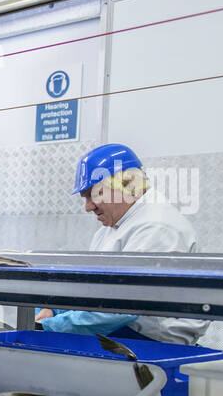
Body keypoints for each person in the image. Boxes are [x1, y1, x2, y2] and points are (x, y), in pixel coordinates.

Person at [37, 143, 207, 345]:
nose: (88, 207)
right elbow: (89, 289)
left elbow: (121, 308)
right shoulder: (111, 228)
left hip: (152, 345)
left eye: (94, 195)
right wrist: (55, 308)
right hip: (120, 334)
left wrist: (52, 325)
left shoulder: (157, 227)